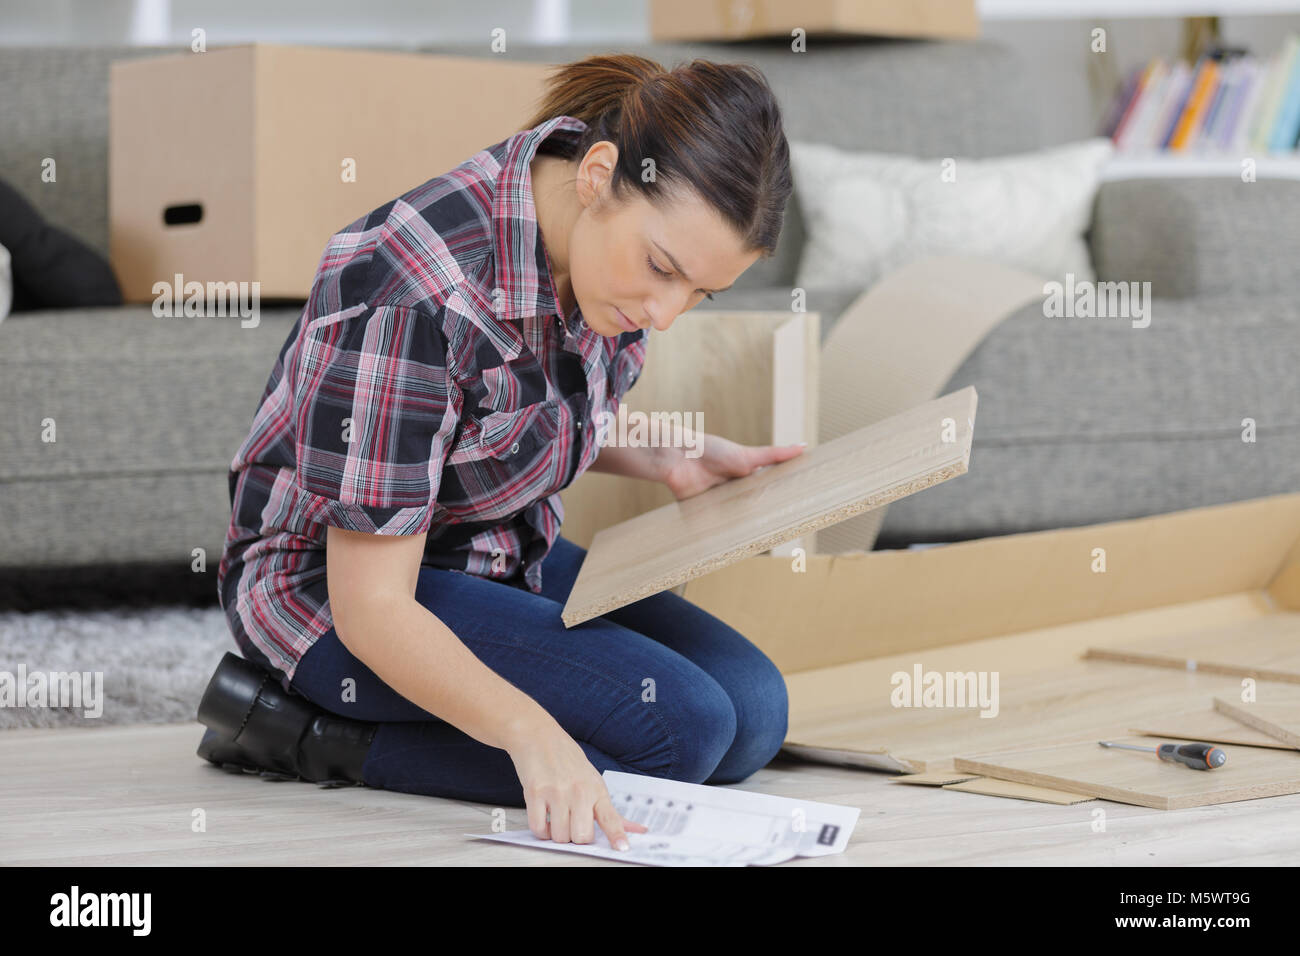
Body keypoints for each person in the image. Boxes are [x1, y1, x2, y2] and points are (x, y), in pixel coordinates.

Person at [198, 52, 798, 854]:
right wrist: (530, 733)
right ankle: (297, 731)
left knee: (754, 712)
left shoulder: (593, 261)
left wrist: (669, 456)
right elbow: (375, 606)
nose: (666, 313)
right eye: (663, 269)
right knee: (682, 733)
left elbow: (501, 415)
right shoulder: (413, 289)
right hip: (341, 588)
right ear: (596, 175)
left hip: (493, 550)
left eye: (699, 292)